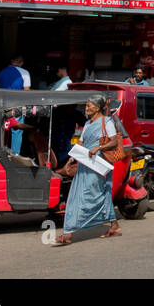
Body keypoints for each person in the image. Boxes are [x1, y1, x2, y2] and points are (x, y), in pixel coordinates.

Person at [55, 94, 123, 245]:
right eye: (86, 106)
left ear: (98, 107)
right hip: (83, 165)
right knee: (79, 196)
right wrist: (70, 160)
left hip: (96, 165)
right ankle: (114, 226)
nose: (86, 108)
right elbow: (80, 144)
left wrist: (98, 147)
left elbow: (113, 143)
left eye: (89, 106)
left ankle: (68, 234)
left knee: (89, 196)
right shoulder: (87, 124)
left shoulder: (107, 122)